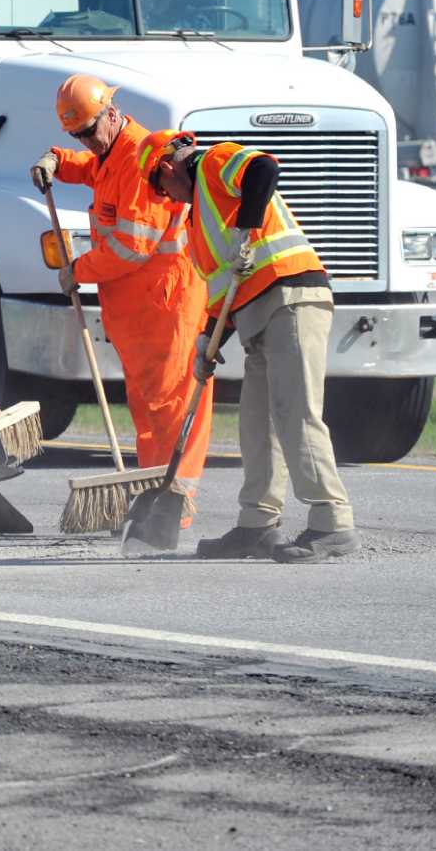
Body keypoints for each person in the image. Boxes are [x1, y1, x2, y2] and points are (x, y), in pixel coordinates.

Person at [141, 133, 356, 563]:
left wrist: (246, 228)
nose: (171, 200)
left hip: (291, 297)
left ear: (167, 170)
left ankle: (333, 523)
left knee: (295, 413)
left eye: (164, 192)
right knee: (258, 425)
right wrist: (208, 339)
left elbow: (264, 170)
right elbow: (223, 287)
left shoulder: (214, 162)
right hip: (257, 316)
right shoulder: (197, 218)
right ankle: (257, 526)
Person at [30, 75, 212, 527]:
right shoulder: (111, 153)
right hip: (137, 310)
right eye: (76, 135)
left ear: (111, 114)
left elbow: (133, 247)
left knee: (171, 406)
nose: (86, 142)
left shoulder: (137, 158)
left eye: (88, 131)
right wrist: (57, 160)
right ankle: (153, 491)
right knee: (148, 409)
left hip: (165, 304)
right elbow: (92, 169)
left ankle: (174, 505)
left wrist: (78, 271)